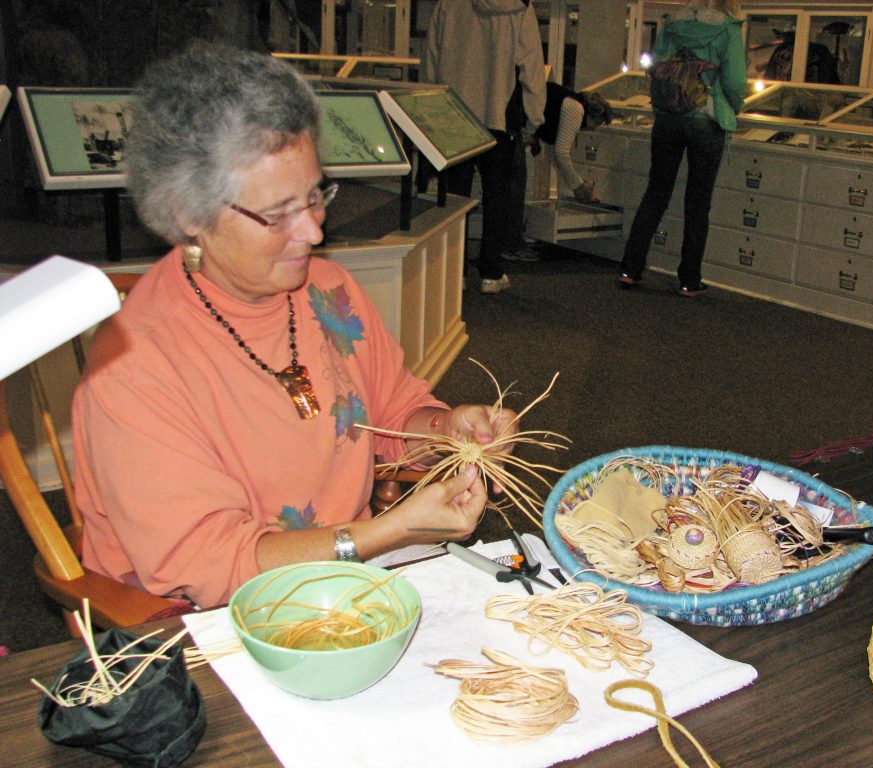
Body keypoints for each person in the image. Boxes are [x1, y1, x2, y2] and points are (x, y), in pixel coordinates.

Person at [71, 43, 518, 610]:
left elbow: (392, 413)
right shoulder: (135, 364)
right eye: (277, 213)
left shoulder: (327, 291)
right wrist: (383, 534)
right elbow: (208, 563)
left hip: (343, 582)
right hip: (195, 619)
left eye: (314, 196)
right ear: (190, 215)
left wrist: (447, 431)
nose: (312, 231)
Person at [618, 0, 746, 297]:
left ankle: (630, 268)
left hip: (668, 117)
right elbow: (735, 80)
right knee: (698, 201)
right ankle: (689, 279)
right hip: (706, 118)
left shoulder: (672, 22)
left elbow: (655, 66)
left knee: (656, 193)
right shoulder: (728, 28)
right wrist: (733, 107)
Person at [423, 0, 545, 294]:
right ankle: (491, 272)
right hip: (498, 114)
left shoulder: (448, 4)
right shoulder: (519, 6)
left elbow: (431, 58)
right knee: (497, 196)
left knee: (455, 198)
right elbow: (531, 65)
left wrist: (431, 109)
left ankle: (455, 271)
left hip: (455, 114)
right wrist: (534, 118)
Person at [501, 85, 615, 263]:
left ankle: (506, 243)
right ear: (594, 115)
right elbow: (561, 153)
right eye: (596, 124)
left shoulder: (569, 101)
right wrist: (578, 185)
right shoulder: (576, 109)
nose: (592, 129)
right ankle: (512, 245)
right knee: (515, 191)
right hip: (514, 129)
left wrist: (575, 181)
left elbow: (556, 153)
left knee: (510, 190)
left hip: (512, 123)